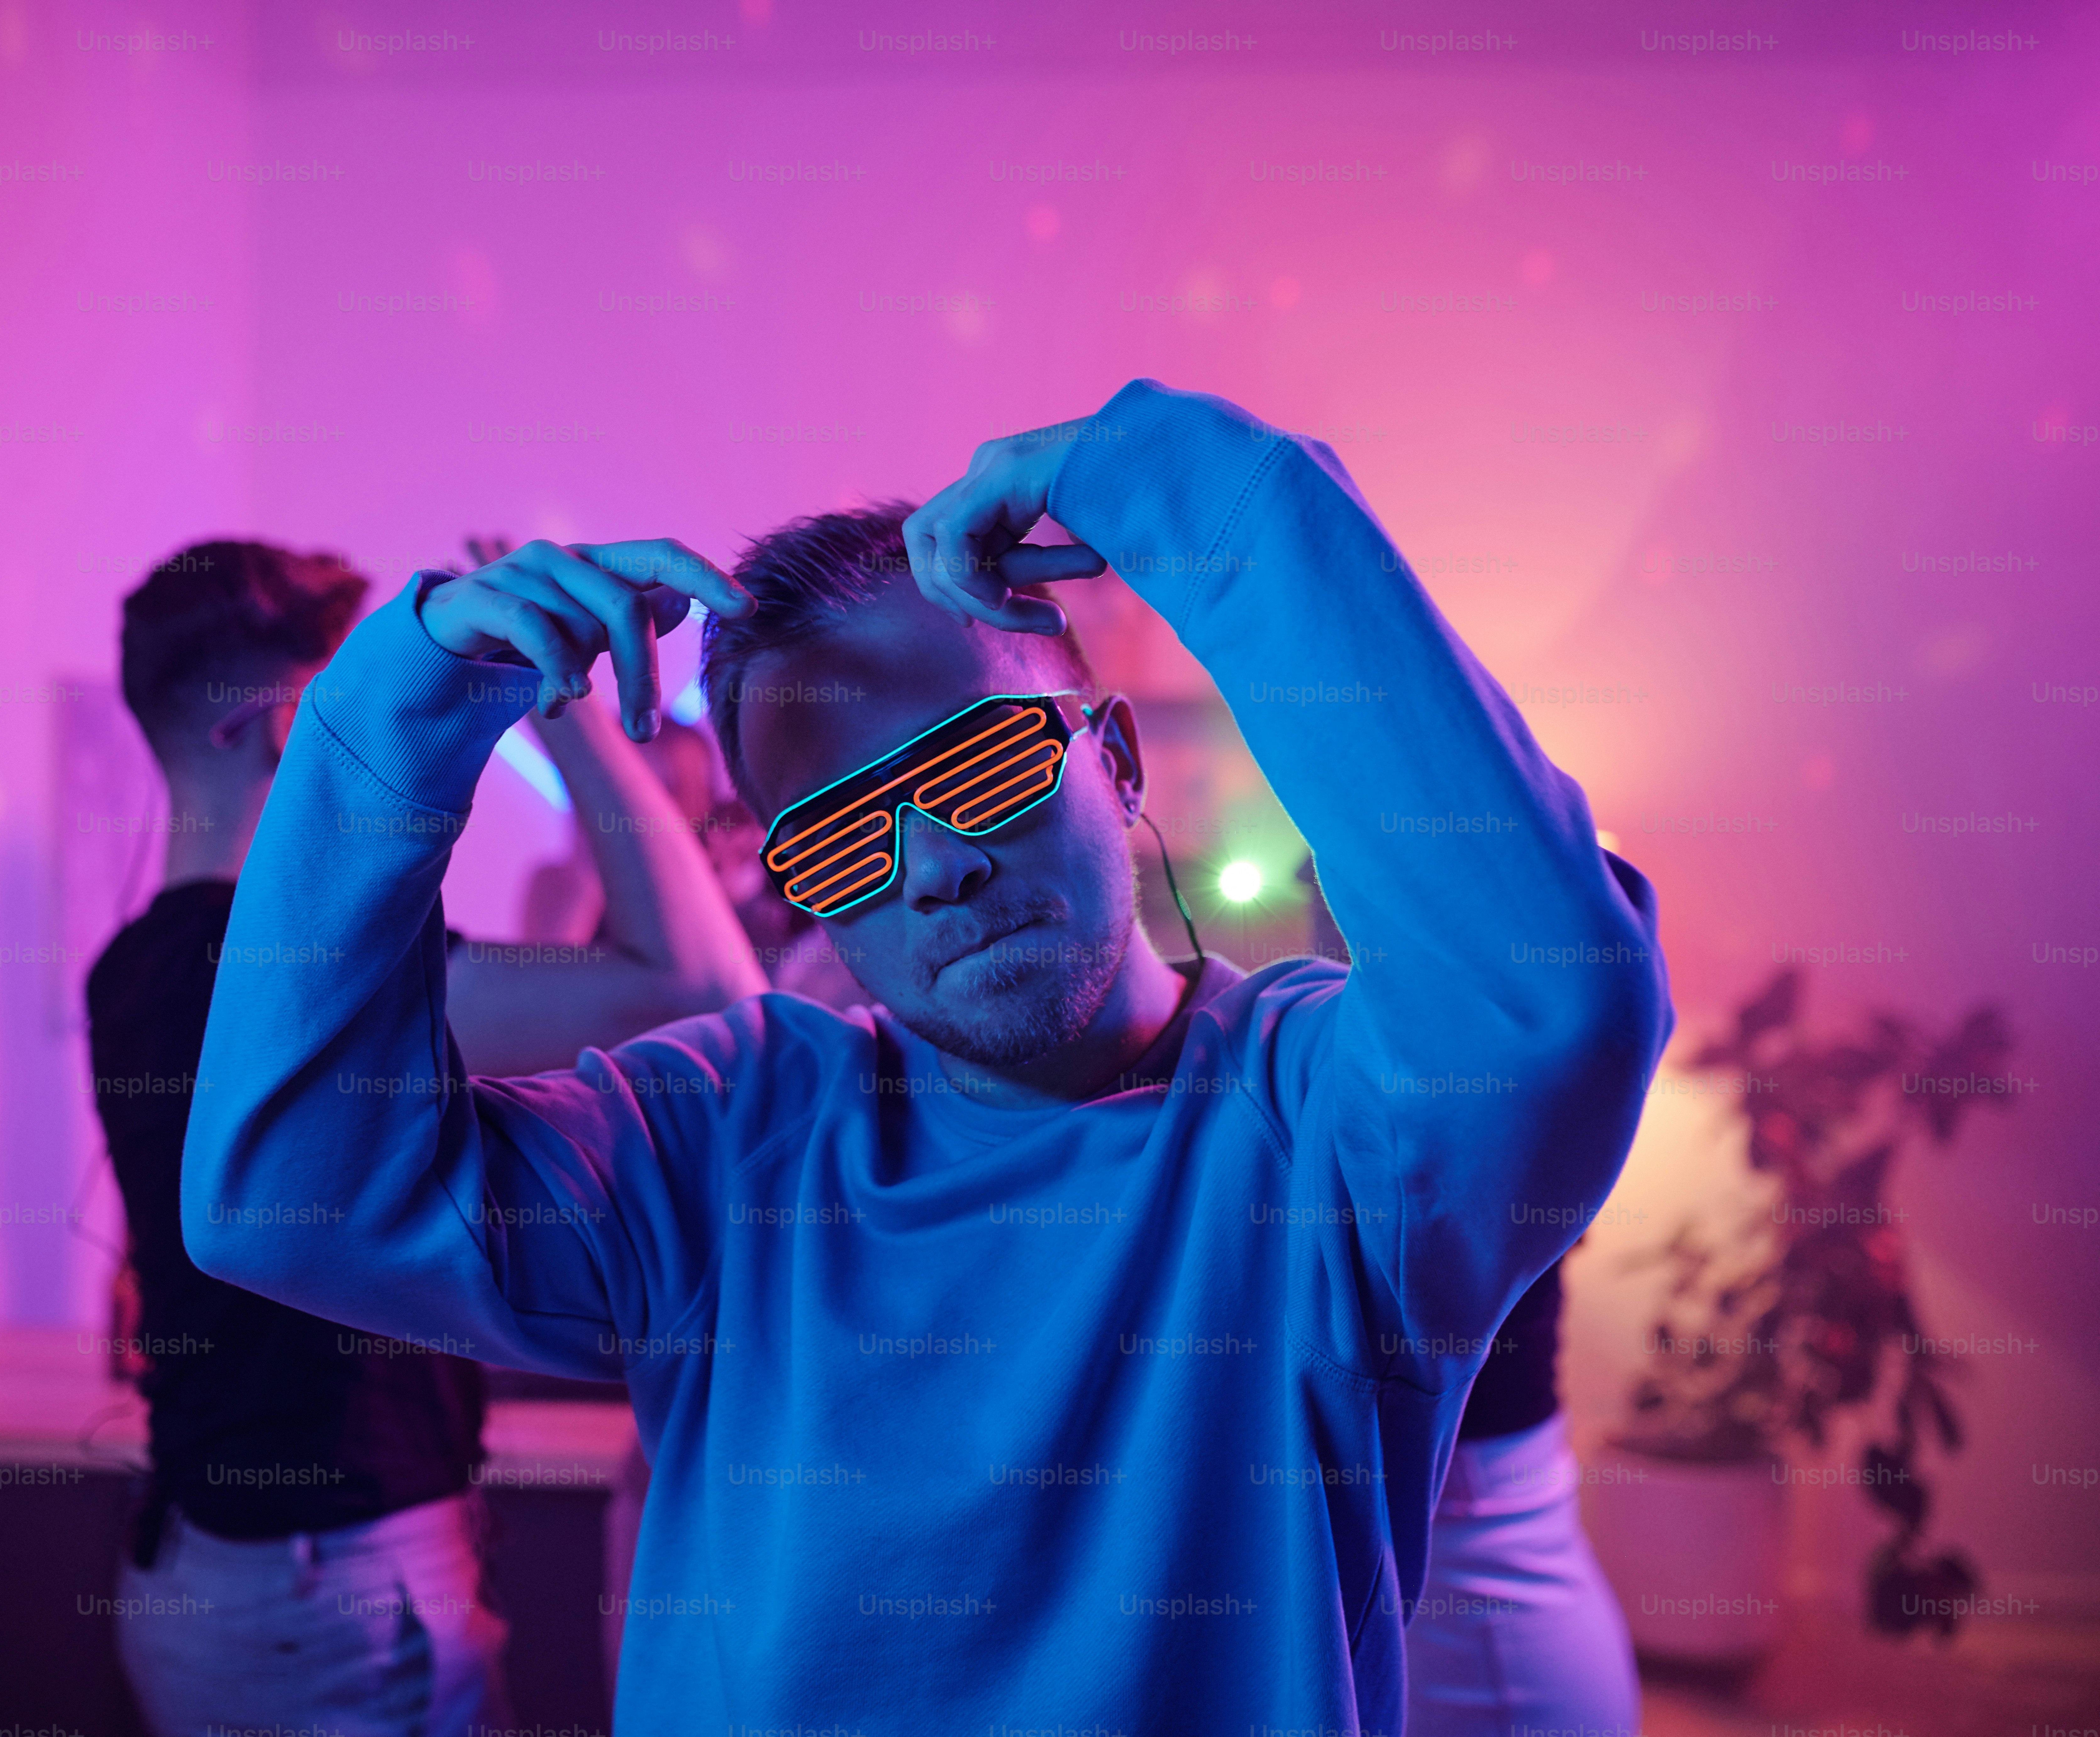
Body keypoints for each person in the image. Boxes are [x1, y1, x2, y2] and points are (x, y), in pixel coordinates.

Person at [180, 380, 1675, 1734]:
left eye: (983, 765)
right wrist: (406, 711)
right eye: (843, 838)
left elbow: (1551, 1005)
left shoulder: (1318, 1135)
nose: (935, 865)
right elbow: (290, 1201)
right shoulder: (730, 1134)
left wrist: (1204, 497)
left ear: (1116, 756)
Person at [87, 539, 764, 1737]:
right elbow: (697, 983)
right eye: (343, 689)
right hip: (336, 1585)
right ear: (284, 722)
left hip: (209, 1564)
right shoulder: (290, 983)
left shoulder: (130, 969)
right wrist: (563, 699)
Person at [1301, 861, 1644, 1737]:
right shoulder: (1351, 1063)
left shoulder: (1480, 1090)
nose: (1324, 932)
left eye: (1339, 904)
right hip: (1449, 1575)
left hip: (1488, 1608)